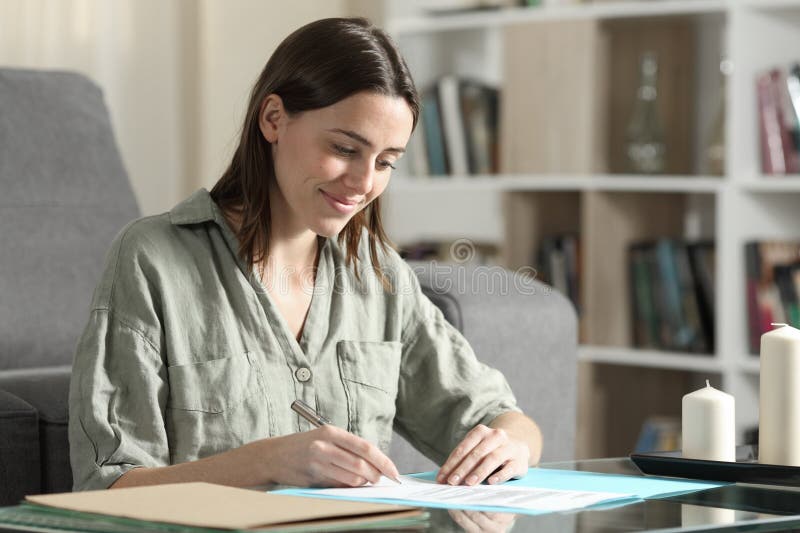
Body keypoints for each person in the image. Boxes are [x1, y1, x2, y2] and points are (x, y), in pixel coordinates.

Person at [69, 16, 542, 492]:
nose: (363, 183)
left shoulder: (379, 276)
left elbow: (504, 420)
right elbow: (106, 489)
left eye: (386, 162)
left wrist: (510, 445)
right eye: (344, 148)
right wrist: (263, 463)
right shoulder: (151, 260)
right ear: (273, 119)